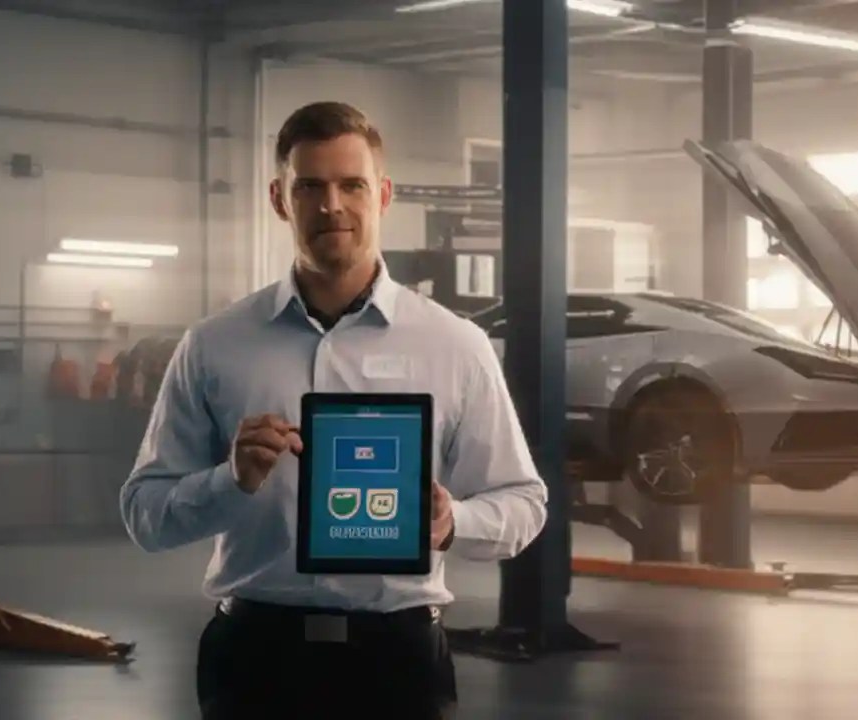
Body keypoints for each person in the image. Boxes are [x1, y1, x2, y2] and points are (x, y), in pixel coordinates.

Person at [120, 101, 548, 720]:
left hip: (398, 663)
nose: (332, 206)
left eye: (352, 185)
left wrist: (452, 523)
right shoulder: (215, 345)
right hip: (253, 662)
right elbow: (145, 515)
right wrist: (229, 481)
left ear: (384, 195)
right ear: (278, 198)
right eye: (310, 187)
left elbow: (523, 503)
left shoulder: (454, 345)